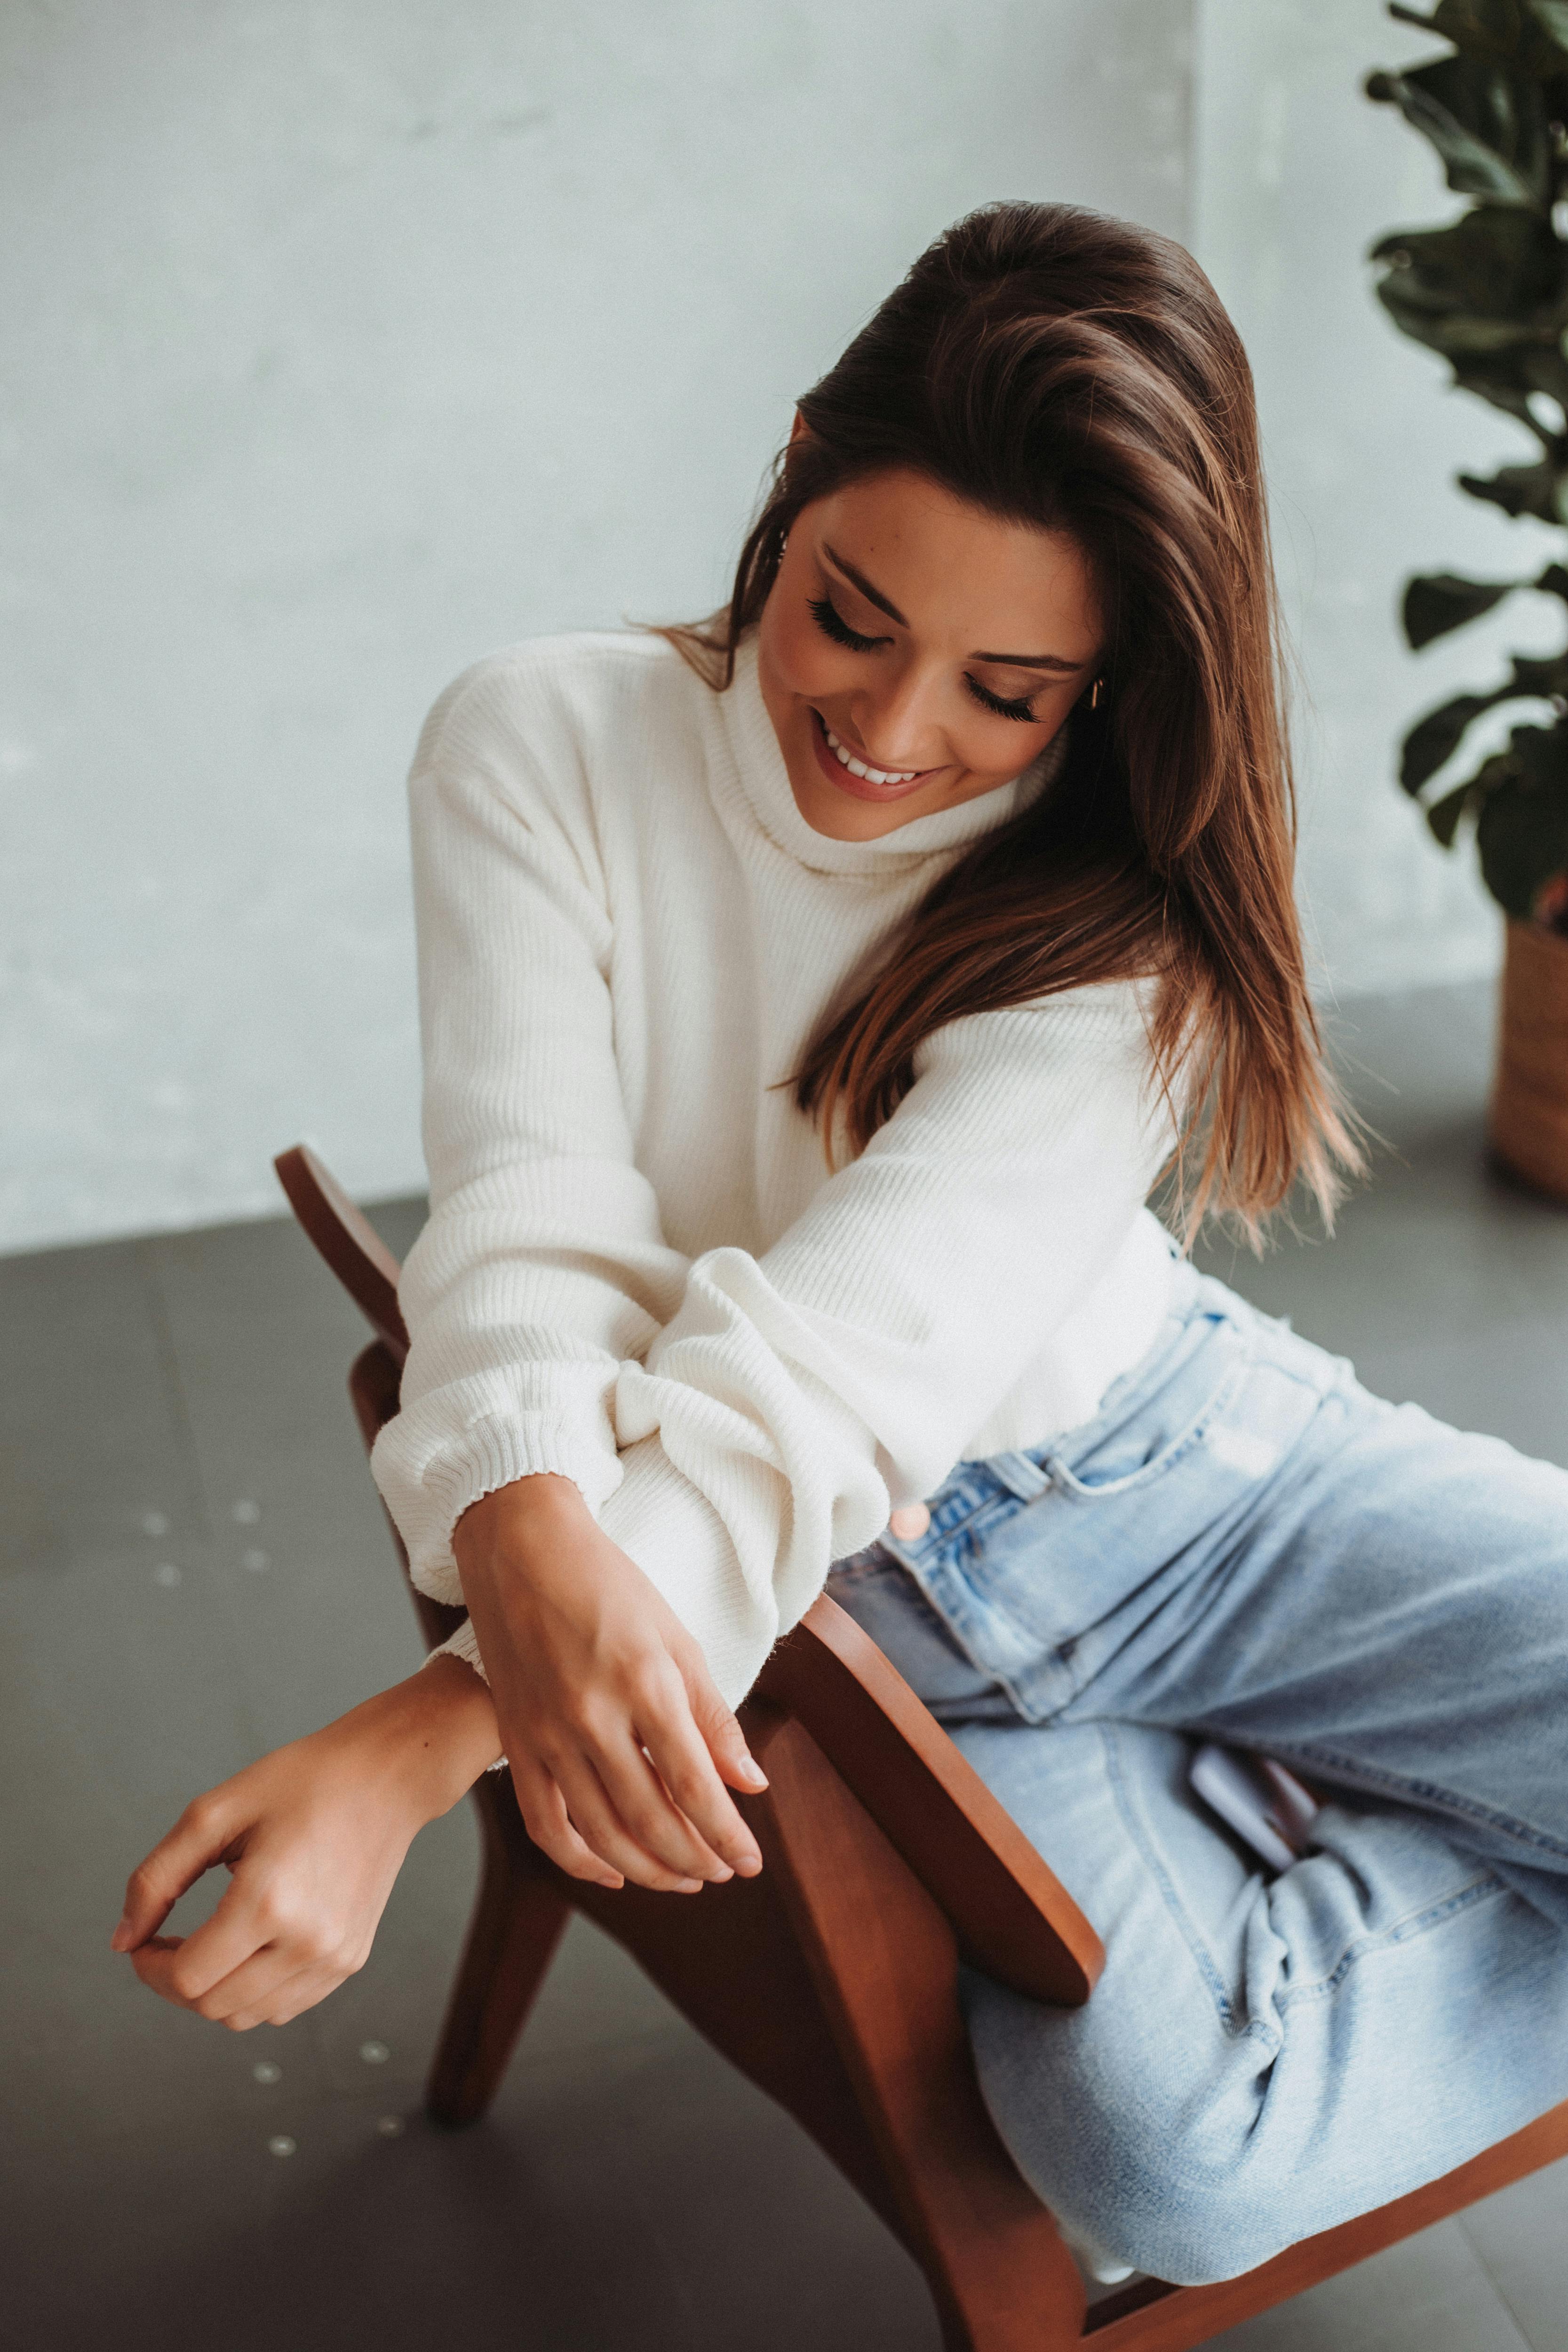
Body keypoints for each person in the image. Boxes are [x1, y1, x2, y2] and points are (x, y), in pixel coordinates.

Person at [113, 201, 1568, 2288]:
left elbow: (829, 1374)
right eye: (849, 614)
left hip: (1185, 1485)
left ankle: (1401, 1795)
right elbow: (532, 1218)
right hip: (856, 1622)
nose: (891, 729)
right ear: (794, 465)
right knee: (1163, 2160)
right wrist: (523, 1549)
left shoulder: (1125, 935)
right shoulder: (538, 741)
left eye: (1009, 687)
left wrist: (416, 1740)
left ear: (1118, 675)